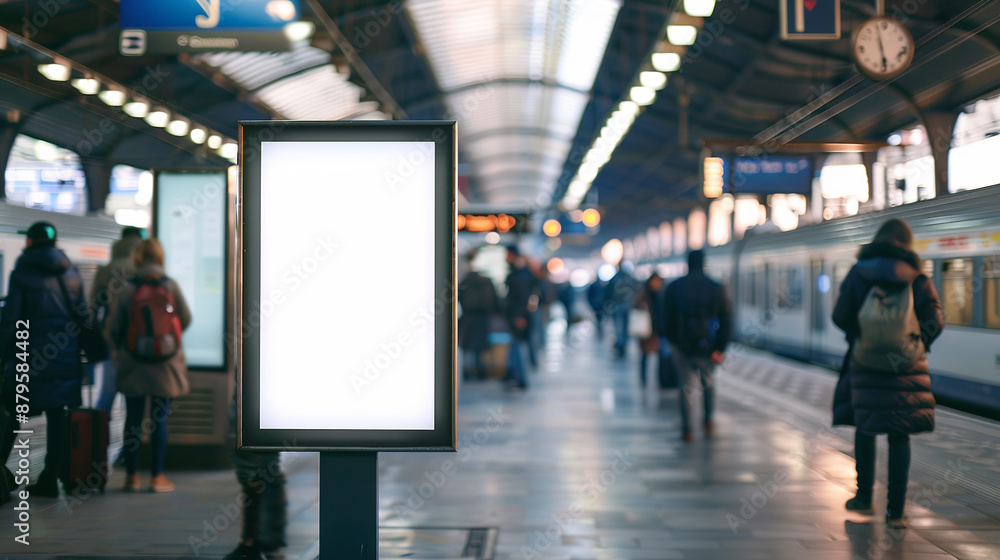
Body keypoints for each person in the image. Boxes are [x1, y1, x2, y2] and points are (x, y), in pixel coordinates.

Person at [832, 218, 942, 528]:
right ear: (907, 244)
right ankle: (895, 511)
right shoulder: (917, 276)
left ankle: (864, 497)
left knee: (865, 428)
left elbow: (840, 315)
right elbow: (937, 319)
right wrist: (916, 344)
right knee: (899, 434)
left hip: (864, 363)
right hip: (905, 366)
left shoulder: (859, 272)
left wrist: (861, 335)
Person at [0, 222, 87, 498]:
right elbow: (84, 316)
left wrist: (3, 355)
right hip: (64, 356)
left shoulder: (23, 271)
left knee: (15, 411)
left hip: (31, 356)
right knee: (57, 416)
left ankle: (1, 471)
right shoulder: (71, 273)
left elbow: (10, 321)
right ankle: (50, 478)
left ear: (29, 242)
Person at [106, 238, 192, 493]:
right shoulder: (170, 285)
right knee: (159, 419)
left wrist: (122, 347)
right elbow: (185, 318)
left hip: (134, 361)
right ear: (160, 258)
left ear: (138, 258)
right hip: (165, 363)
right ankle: (157, 477)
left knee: (133, 419)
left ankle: (131, 477)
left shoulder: (128, 288)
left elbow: (114, 327)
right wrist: (167, 339)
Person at [662, 250, 732, 442]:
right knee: (708, 383)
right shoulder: (716, 287)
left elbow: (666, 317)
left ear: (687, 264)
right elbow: (726, 319)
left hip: (682, 346)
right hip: (708, 346)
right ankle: (708, 419)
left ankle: (687, 429)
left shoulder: (675, 287)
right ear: (703, 264)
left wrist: (673, 341)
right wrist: (720, 347)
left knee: (685, 388)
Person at [226, 370, 287, 560]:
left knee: (258, 467)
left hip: (260, 383)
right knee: (259, 467)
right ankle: (256, 540)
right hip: (261, 384)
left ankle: (262, 541)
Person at [90, 226, 143, 413]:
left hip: (112, 338)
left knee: (107, 393)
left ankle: (98, 439)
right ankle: (133, 440)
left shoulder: (105, 271)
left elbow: (92, 309)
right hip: (142, 339)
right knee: (136, 398)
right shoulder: (144, 269)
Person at [458, 252, 499, 380]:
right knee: (480, 347)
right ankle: (481, 371)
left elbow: (458, 298)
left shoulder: (465, 281)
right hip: (483, 317)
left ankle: (466, 372)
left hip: (468, 317)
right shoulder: (487, 282)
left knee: (467, 346)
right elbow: (495, 301)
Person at [504, 246, 535, 389]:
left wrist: (520, 316)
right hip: (517, 315)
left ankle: (521, 378)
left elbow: (522, 297)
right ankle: (513, 373)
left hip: (518, 316)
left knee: (518, 345)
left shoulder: (518, 275)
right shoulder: (521, 273)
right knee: (516, 345)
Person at [603, 263, 639, 358]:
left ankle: (620, 345)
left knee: (618, 326)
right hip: (628, 305)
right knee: (626, 327)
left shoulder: (614, 279)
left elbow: (608, 293)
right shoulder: (629, 278)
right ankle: (623, 346)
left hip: (617, 305)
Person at [634, 273, 663, 387]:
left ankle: (660, 379)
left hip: (658, 329)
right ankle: (643, 379)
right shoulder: (644, 295)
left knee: (660, 356)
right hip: (645, 329)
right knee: (645, 355)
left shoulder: (662, 294)